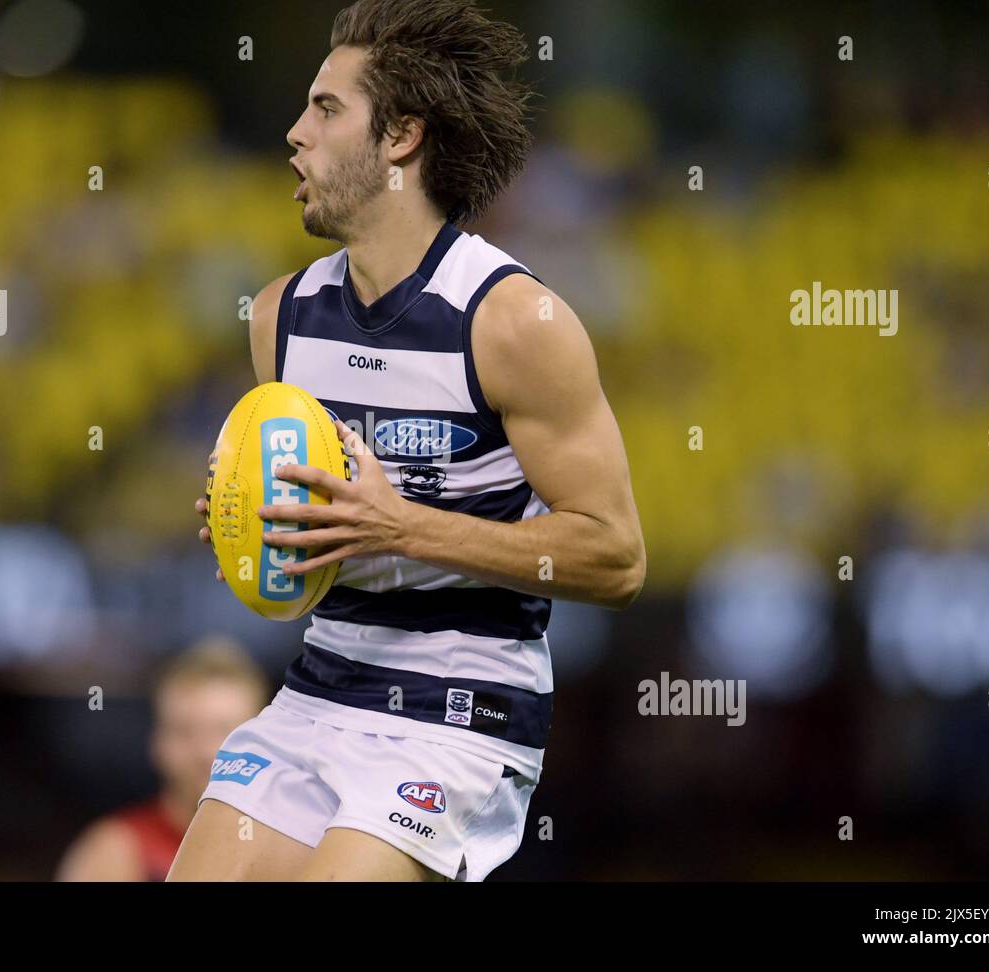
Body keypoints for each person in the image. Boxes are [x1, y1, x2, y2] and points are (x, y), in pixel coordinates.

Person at [170, 0, 645, 883]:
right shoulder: (281, 315)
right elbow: (323, 541)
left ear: (401, 138)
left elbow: (615, 558)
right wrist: (260, 526)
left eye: (326, 108)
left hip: (460, 714)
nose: (294, 134)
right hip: (320, 686)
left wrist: (401, 528)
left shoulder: (513, 320)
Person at [57, 637, 269, 881]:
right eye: (184, 731)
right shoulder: (118, 851)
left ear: (265, 745)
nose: (206, 752)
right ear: (157, 743)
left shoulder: (292, 844)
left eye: (226, 731)